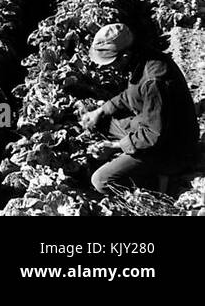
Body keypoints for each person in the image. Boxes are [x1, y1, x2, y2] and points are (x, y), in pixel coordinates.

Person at [80, 23, 199, 194]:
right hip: (153, 127)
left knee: (101, 181)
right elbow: (131, 95)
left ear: (125, 55)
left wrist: (115, 146)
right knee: (104, 121)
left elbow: (153, 136)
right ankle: (130, 160)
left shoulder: (154, 81)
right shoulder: (141, 58)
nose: (104, 67)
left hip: (171, 149)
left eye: (110, 62)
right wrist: (101, 111)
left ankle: (161, 183)